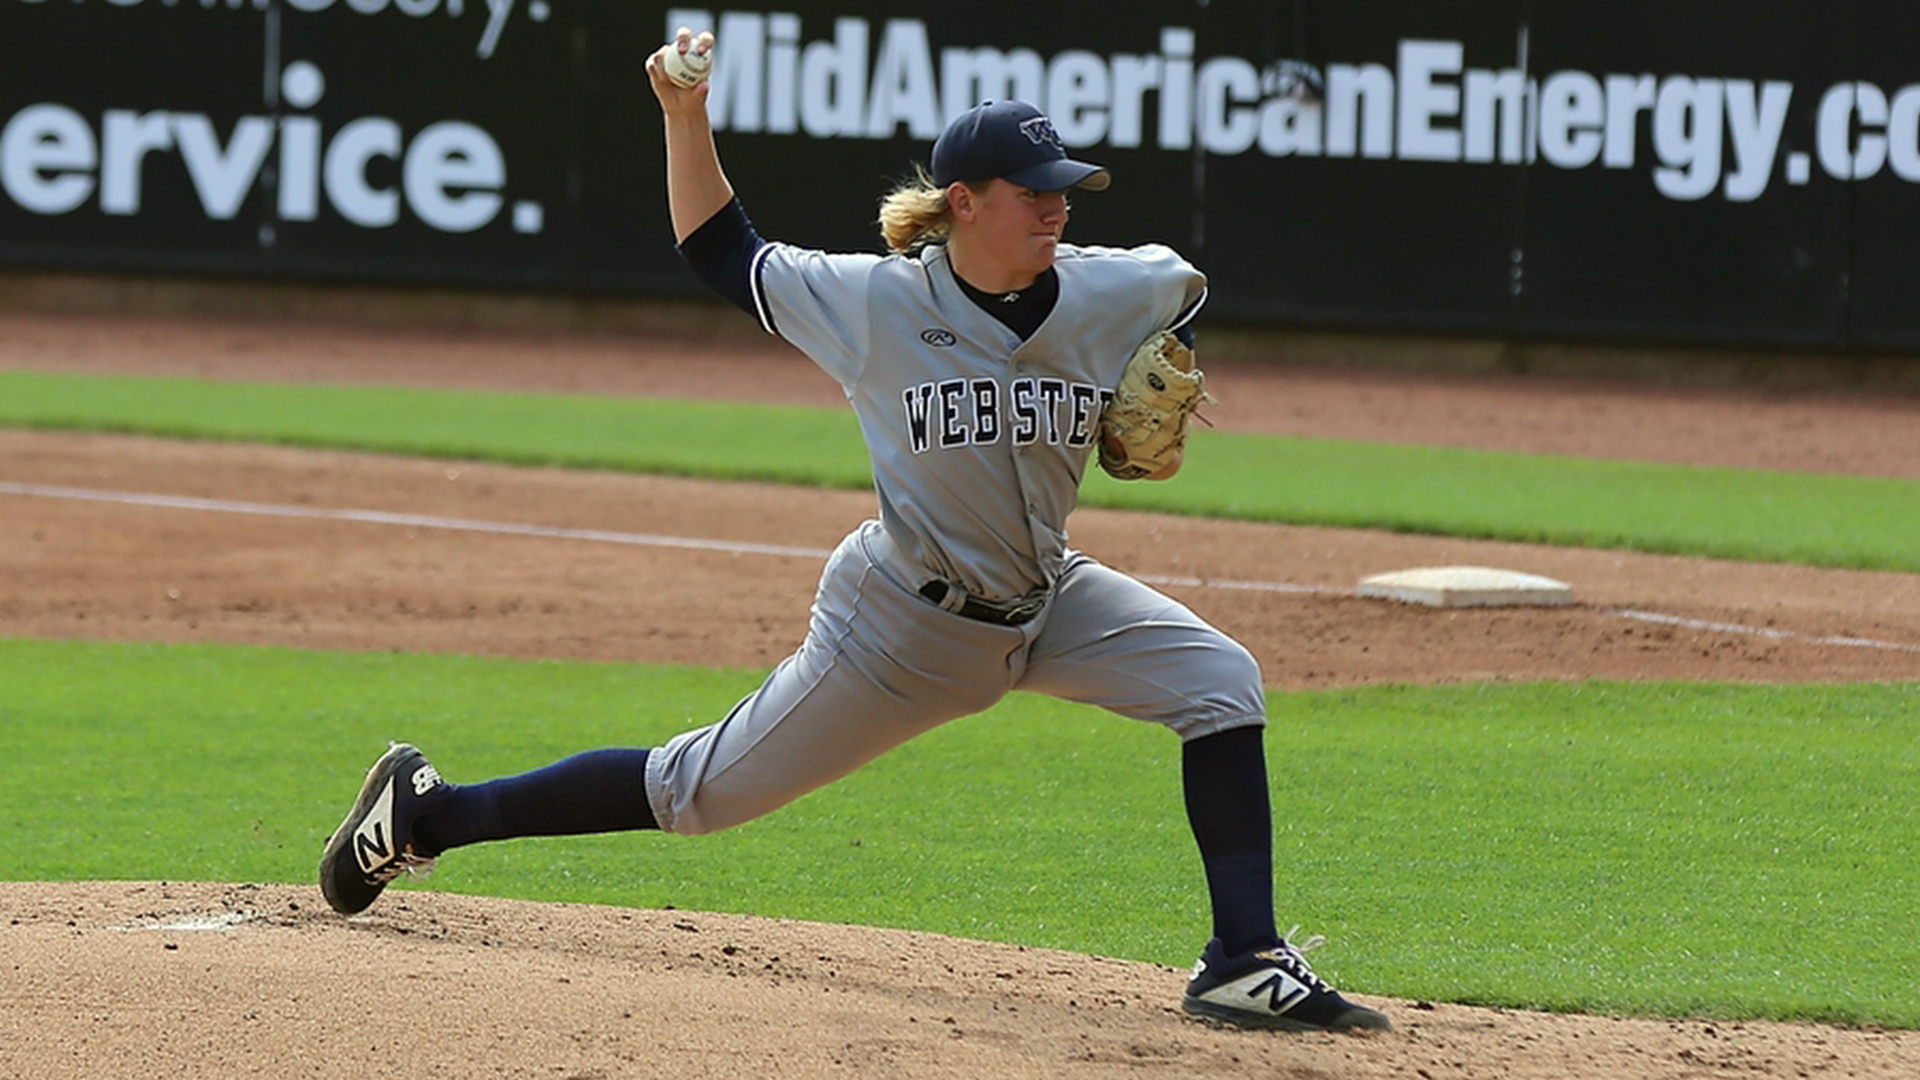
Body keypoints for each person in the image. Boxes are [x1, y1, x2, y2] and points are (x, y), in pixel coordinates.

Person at [317, 27, 1389, 1035]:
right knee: (695, 794)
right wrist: (684, 115)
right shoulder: (872, 305)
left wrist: (1150, 394)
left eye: (1064, 190)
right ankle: (425, 816)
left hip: (1049, 597)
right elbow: (719, 251)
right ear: (964, 203)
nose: (1056, 208)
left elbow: (1182, 296)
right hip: (899, 633)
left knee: (1219, 681)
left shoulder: (1119, 289)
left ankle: (1244, 958)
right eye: (1034, 192)